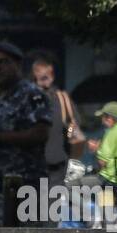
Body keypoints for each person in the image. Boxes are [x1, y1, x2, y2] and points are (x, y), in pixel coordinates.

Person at [0, 41, 51, 227]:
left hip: (23, 191)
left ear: (17, 65)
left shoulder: (32, 96)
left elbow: (41, 133)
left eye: (3, 62)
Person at [30, 50, 85, 190]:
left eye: (43, 79)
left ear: (52, 77)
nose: (39, 84)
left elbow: (73, 124)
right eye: (35, 80)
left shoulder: (62, 99)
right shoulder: (28, 99)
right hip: (32, 166)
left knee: (52, 207)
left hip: (56, 164)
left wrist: (69, 134)